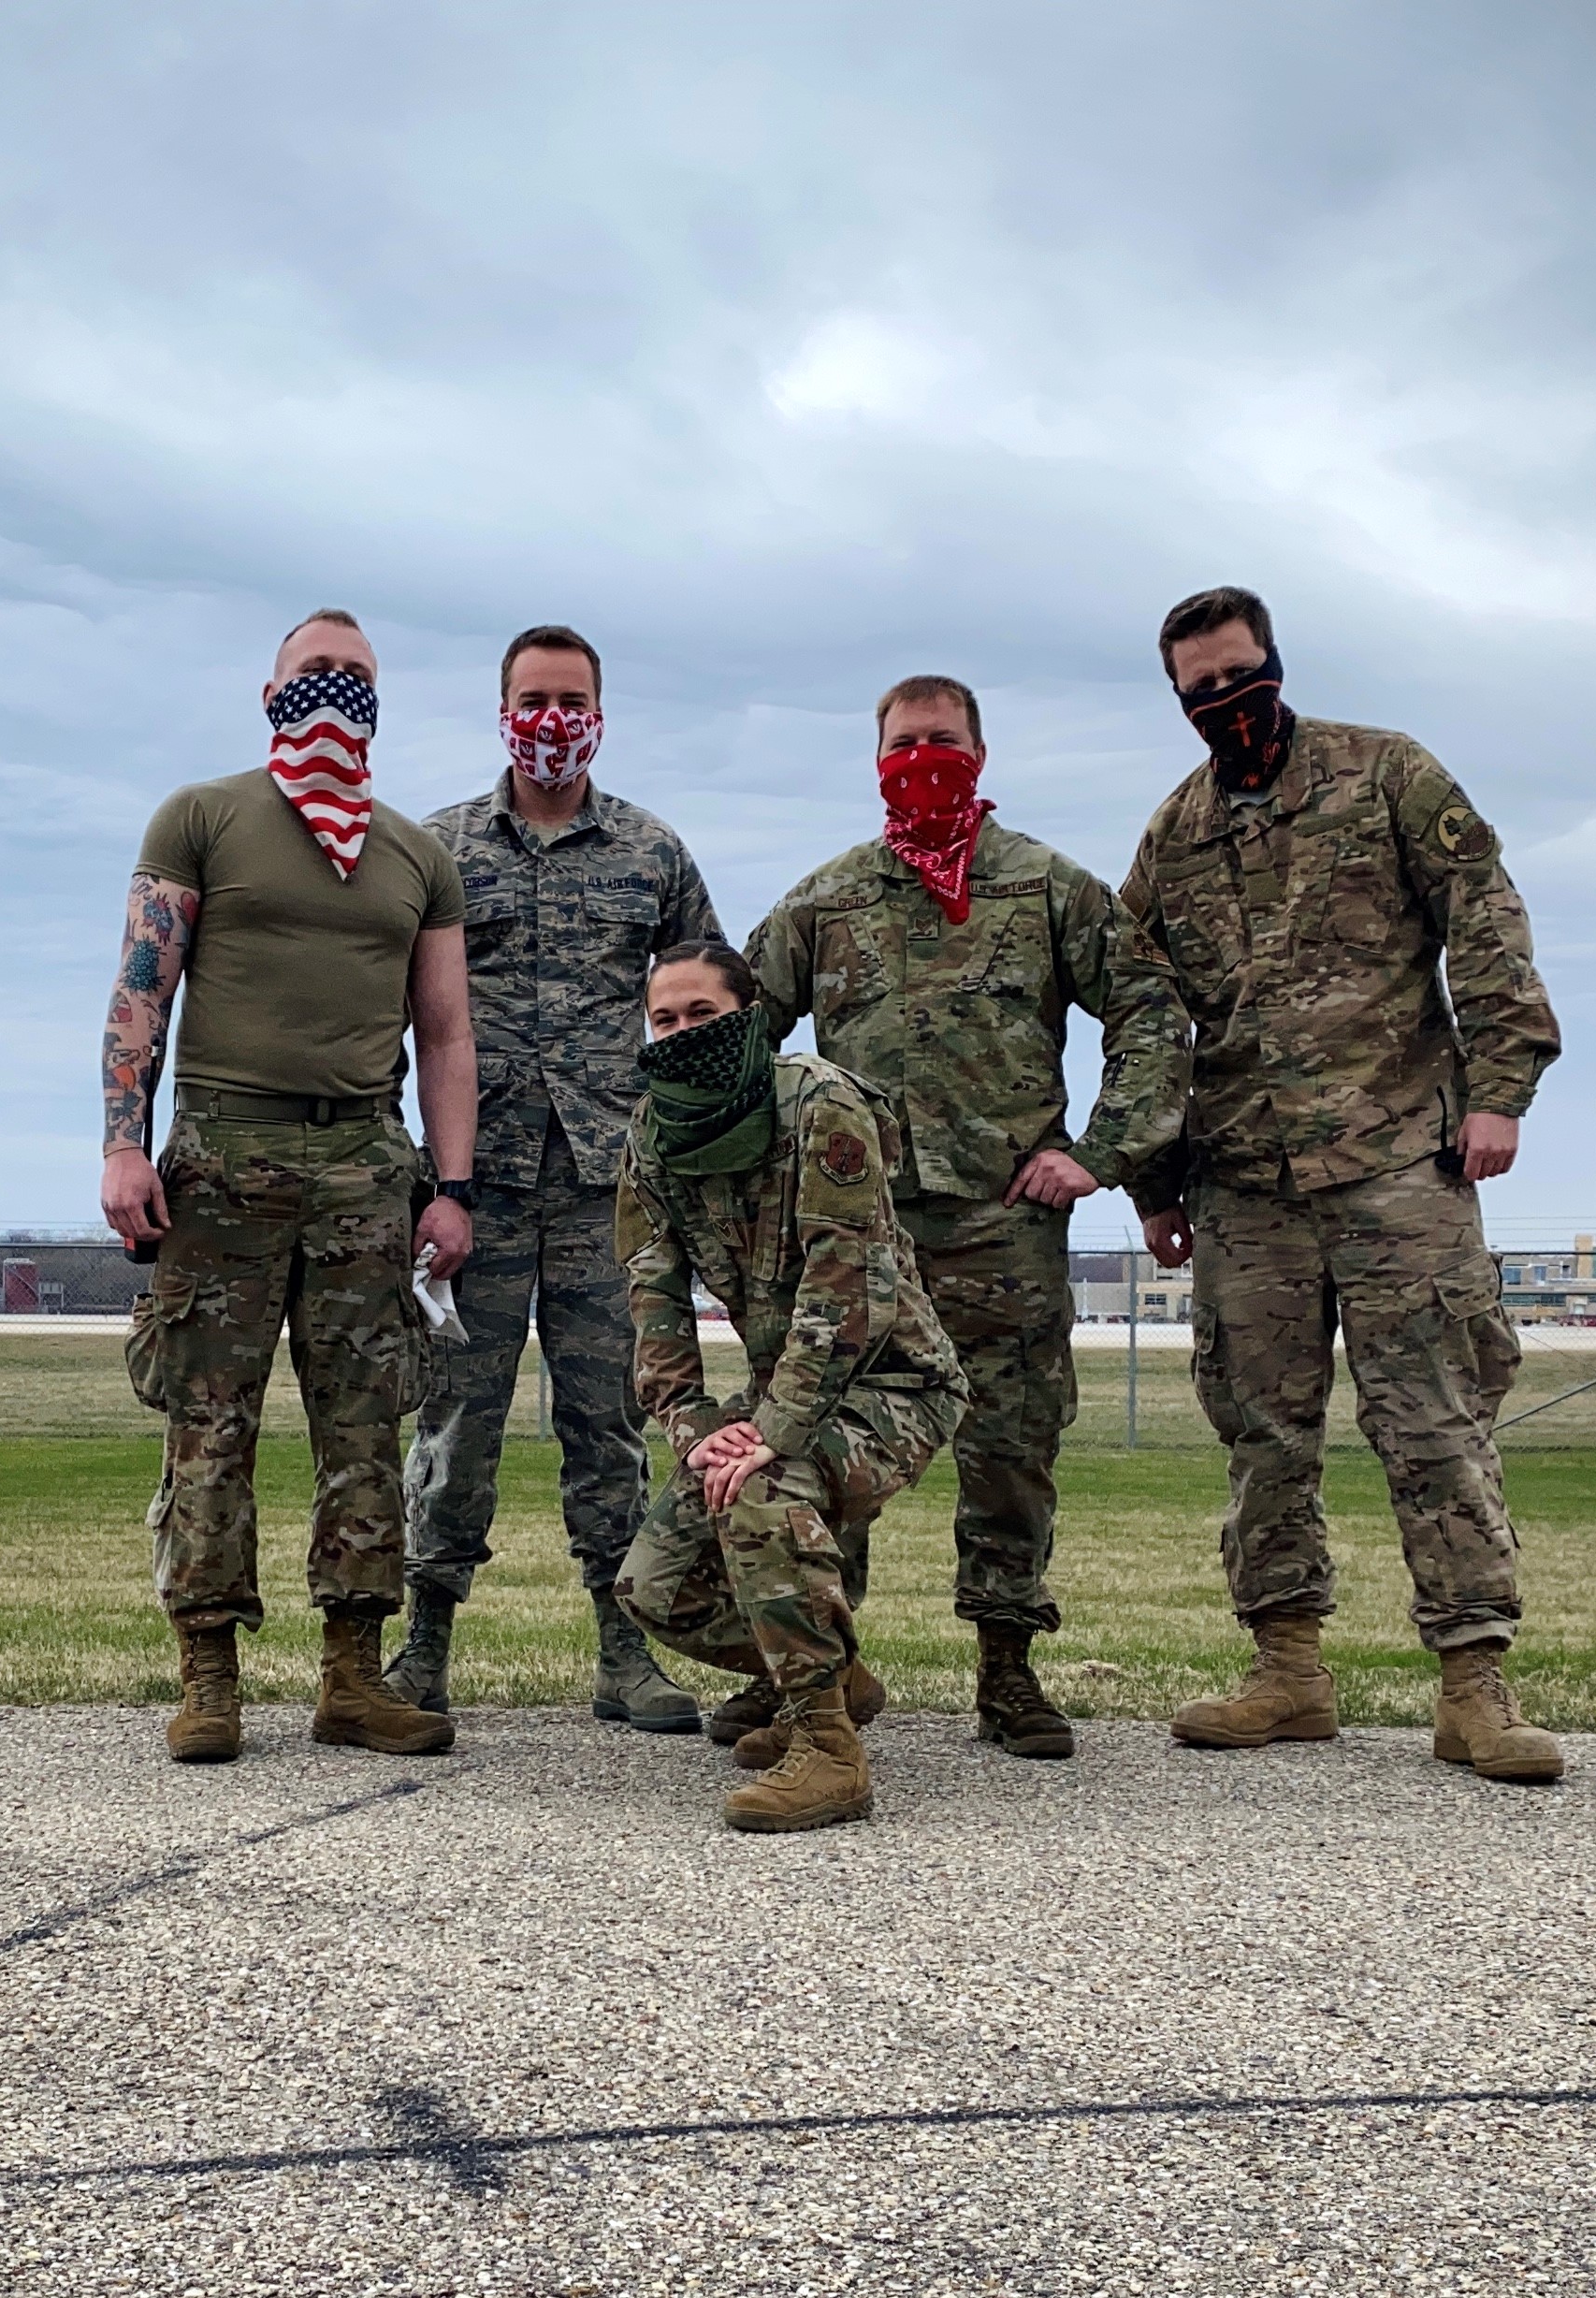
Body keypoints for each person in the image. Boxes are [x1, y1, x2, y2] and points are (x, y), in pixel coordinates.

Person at [1121, 585, 1566, 1782]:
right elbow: (1145, 1017)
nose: (1227, 700)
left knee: (1434, 1425)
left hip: (1398, 1163)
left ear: (1275, 662)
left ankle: (1473, 1686)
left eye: (1241, 675)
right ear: (1177, 698)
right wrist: (1153, 1181)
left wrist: (1500, 1090)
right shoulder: (1173, 837)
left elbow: (1484, 922)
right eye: (1201, 689)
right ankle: (1287, 1673)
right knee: (1262, 1437)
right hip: (1245, 1185)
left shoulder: (1386, 775)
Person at [744, 676, 1187, 1760]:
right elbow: (736, 1031)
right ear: (875, 761)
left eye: (941, 741)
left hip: (1003, 1228)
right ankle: (815, 1676)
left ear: (979, 755)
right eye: (902, 744)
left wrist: (1099, 1154)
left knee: (1010, 1451)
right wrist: (771, 1171)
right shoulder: (827, 901)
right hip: (861, 1239)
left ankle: (1008, 1668)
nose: (921, 759)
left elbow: (1149, 1008)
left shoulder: (1046, 888)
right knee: (820, 1447)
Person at [102, 606, 479, 1767]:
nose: (335, 688)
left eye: (356, 675)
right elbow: (141, 988)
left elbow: (445, 1033)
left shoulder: (416, 856)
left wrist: (450, 1187)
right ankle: (208, 1678)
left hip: (364, 1169)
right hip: (223, 1159)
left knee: (364, 1429)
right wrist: (122, 1145)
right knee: (208, 1425)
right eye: (315, 671)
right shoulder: (201, 818)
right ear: (271, 695)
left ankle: (352, 1680)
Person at [386, 625, 727, 1735]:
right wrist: (416, 1174)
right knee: (454, 1426)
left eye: (571, 700)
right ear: (501, 712)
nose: (552, 720)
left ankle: (626, 1655)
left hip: (606, 1190)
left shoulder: (652, 855)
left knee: (610, 1429)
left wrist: (695, 1171)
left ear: (600, 714)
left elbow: (707, 1018)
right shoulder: (437, 850)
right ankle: (421, 1648)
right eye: (534, 699)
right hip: (473, 1187)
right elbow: (395, 1014)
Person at [612, 946, 966, 1833]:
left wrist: (774, 1431)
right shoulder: (653, 1132)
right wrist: (697, 1429)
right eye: (665, 1019)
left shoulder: (819, 1104)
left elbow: (847, 1280)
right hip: (781, 1395)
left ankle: (827, 1748)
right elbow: (653, 1294)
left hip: (893, 1381)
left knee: (761, 1493)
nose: (682, 1033)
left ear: (749, 1015)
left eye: (703, 1014)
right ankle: (833, 1679)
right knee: (655, 1587)